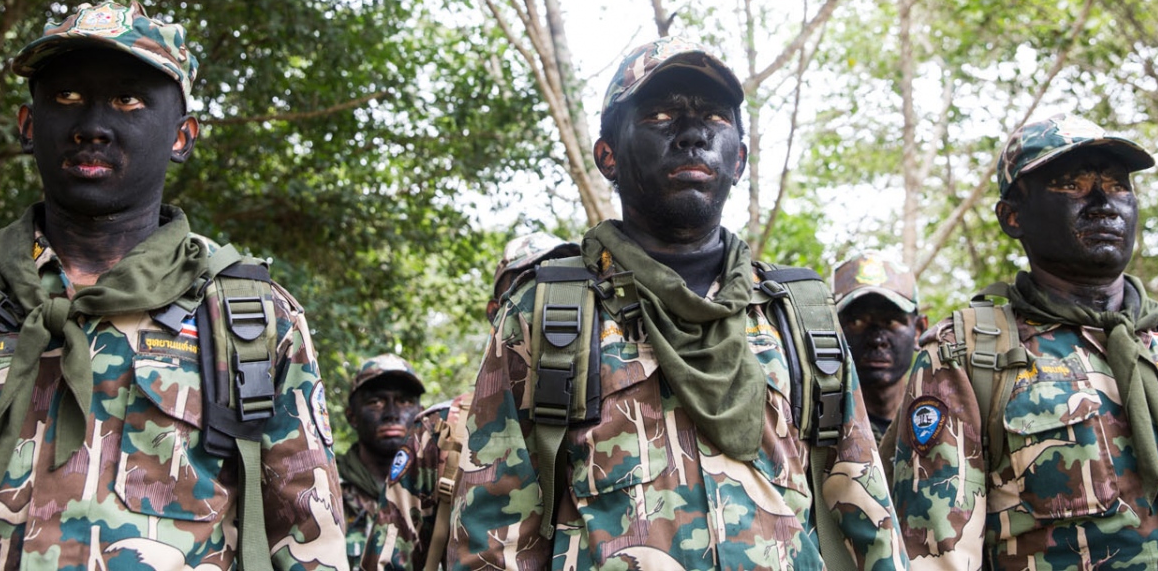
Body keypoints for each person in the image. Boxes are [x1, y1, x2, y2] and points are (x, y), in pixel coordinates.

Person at [0, 0, 346, 571]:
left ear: (182, 136)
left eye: (128, 100)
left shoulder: (252, 322)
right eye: (66, 98)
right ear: (28, 126)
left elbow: (312, 545)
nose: (92, 126)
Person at [448, 37, 908, 570]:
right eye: (661, 115)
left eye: (714, 117)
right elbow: (491, 541)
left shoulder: (800, 316)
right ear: (608, 156)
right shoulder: (548, 315)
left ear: (738, 159)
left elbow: (865, 514)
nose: (692, 134)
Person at [889, 113, 1158, 571]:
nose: (1102, 203)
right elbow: (937, 557)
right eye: (1071, 185)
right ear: (1012, 216)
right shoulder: (968, 354)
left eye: (1116, 185)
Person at [363, 232, 578, 571]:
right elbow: (388, 561)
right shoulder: (440, 431)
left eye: (568, 283)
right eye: (527, 286)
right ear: (496, 313)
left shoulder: (618, 412)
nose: (546, 301)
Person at [341, 354, 424, 566]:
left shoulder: (435, 493)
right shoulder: (324, 490)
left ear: (421, 414)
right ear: (352, 416)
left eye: (404, 401)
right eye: (376, 402)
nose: (392, 414)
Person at [832, 255, 925, 441]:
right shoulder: (818, 424)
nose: (876, 340)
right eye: (857, 322)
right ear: (834, 331)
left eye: (890, 321)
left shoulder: (938, 419)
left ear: (918, 331)